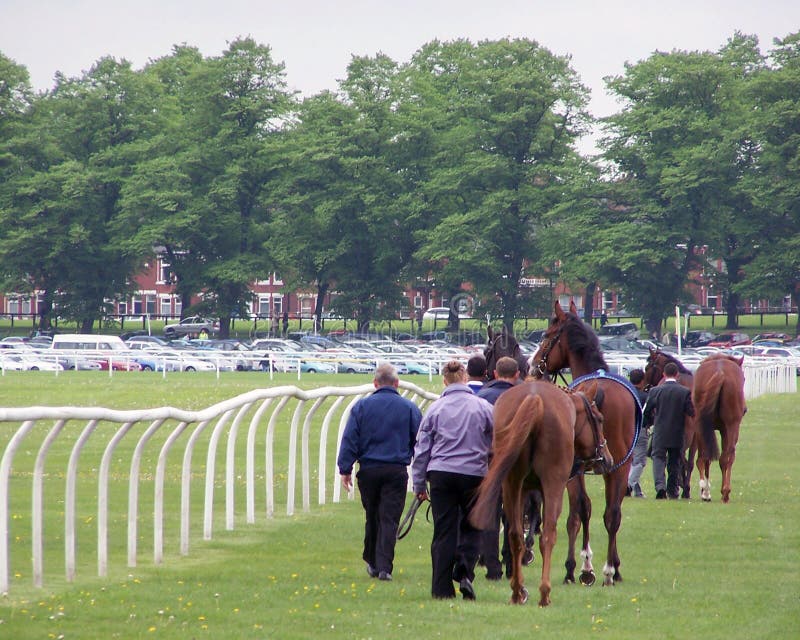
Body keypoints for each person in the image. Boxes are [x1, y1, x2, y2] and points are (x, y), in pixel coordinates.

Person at [411, 360, 494, 600]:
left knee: (444, 531)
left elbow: (422, 451)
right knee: (472, 527)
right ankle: (465, 569)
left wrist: (418, 484)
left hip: (442, 474)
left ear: (444, 380)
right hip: (475, 474)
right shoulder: (483, 407)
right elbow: (496, 441)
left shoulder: (435, 409)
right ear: (465, 378)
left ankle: (441, 589)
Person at [337, 363, 422, 581]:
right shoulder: (410, 408)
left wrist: (345, 468)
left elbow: (350, 439)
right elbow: (420, 443)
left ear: (375, 384)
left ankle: (373, 561)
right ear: (397, 383)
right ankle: (384, 566)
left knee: (372, 515)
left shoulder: (361, 407)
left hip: (369, 470)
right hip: (396, 470)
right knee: (389, 518)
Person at [476, 356, 520, 580]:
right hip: (516, 464)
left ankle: (492, 568)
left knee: (490, 515)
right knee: (514, 514)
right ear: (517, 374)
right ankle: (513, 564)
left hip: (488, 462)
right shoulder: (524, 399)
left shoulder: (481, 396)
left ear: (494, 374)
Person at [643, 362, 695, 500]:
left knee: (658, 459)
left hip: (660, 432)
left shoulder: (655, 391)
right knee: (674, 462)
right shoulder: (684, 392)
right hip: (677, 433)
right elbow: (691, 412)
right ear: (677, 375)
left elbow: (647, 411)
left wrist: (646, 424)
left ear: (663, 374)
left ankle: (660, 487)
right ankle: (673, 490)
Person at [626, 368, 650, 498]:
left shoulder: (625, 393)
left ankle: (637, 491)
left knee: (631, 461)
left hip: (625, 430)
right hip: (640, 429)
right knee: (640, 462)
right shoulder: (646, 397)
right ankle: (627, 485)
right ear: (642, 381)